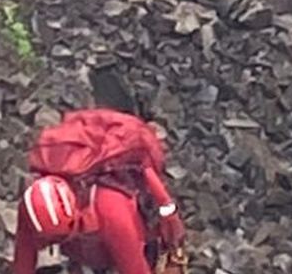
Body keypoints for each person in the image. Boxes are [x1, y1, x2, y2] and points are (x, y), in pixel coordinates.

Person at [10, 109, 187, 274]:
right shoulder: (32, 209)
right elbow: (23, 260)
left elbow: (135, 268)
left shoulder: (113, 212)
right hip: (92, 243)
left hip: (130, 233)